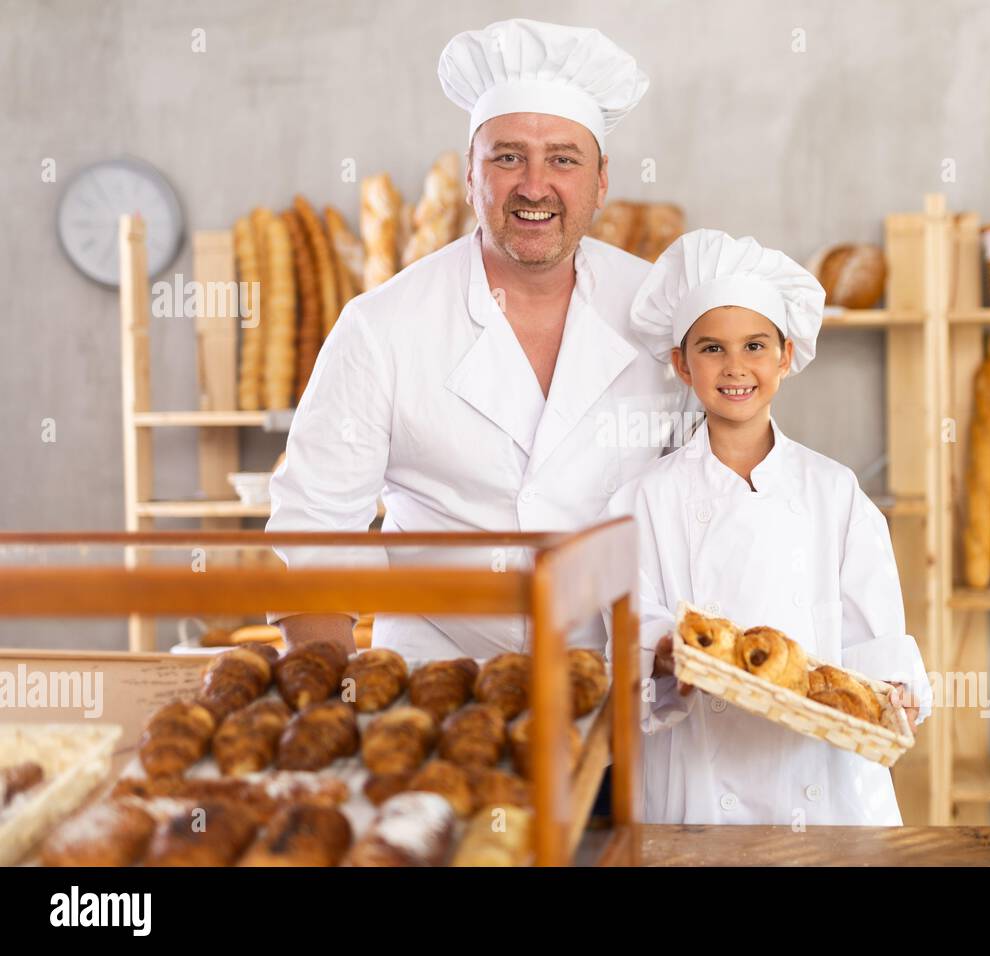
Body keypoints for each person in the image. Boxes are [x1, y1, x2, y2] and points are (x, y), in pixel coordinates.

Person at [266, 19, 687, 658]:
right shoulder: (381, 327)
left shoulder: (666, 316)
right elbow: (317, 537)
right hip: (436, 688)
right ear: (470, 174)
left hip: (625, 685)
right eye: (508, 156)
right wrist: (331, 690)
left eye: (564, 160)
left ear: (601, 181)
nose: (534, 185)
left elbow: (712, 496)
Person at [604, 229, 933, 825]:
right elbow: (633, 638)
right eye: (711, 349)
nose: (736, 367)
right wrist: (667, 652)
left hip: (824, 784)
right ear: (681, 364)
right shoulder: (641, 501)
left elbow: (873, 638)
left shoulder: (834, 491)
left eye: (755, 346)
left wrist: (894, 689)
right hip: (702, 775)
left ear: (786, 355)